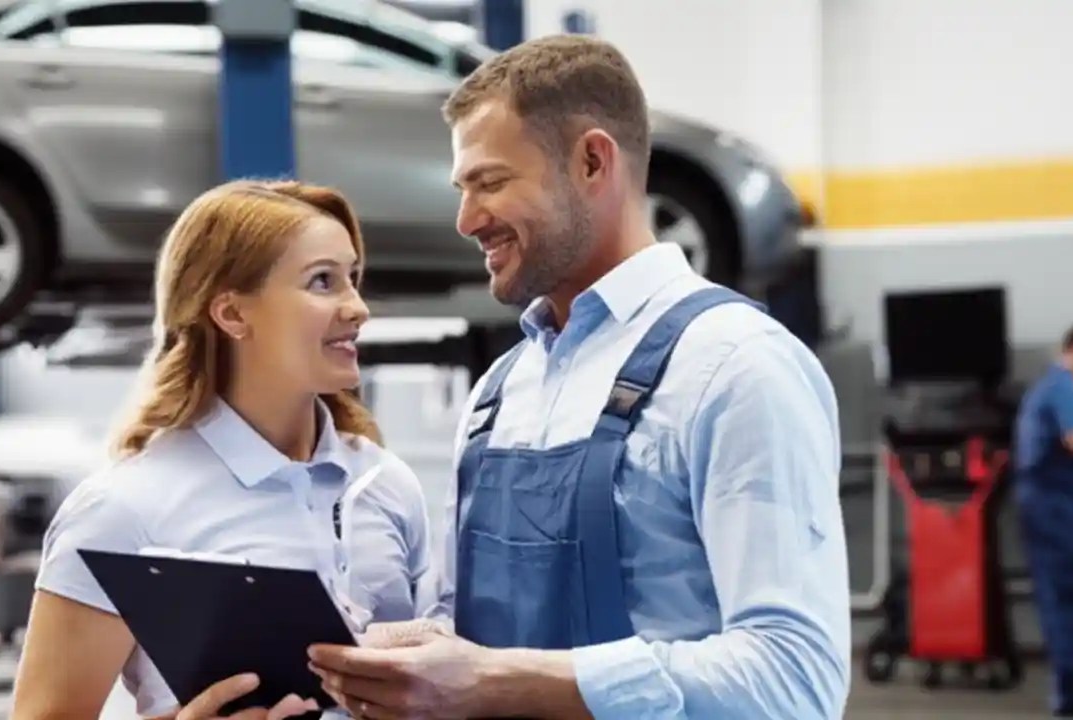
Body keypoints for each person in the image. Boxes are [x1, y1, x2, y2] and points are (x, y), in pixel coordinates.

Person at [307, 34, 852, 719]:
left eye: (491, 182)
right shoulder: (499, 393)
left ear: (593, 161)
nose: (467, 220)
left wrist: (495, 682)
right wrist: (397, 660)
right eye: (463, 189)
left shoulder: (737, 368)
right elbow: (466, 634)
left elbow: (793, 681)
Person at [9, 180, 434, 720]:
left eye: (352, 279)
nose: (357, 308)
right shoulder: (122, 509)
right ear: (232, 314)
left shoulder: (386, 484)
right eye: (322, 281)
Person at [1013, 324, 1073, 717]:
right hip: (1054, 511)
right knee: (1063, 602)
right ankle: (1068, 696)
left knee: (1062, 601)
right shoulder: (1064, 387)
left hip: (1053, 508)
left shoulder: (1050, 388)